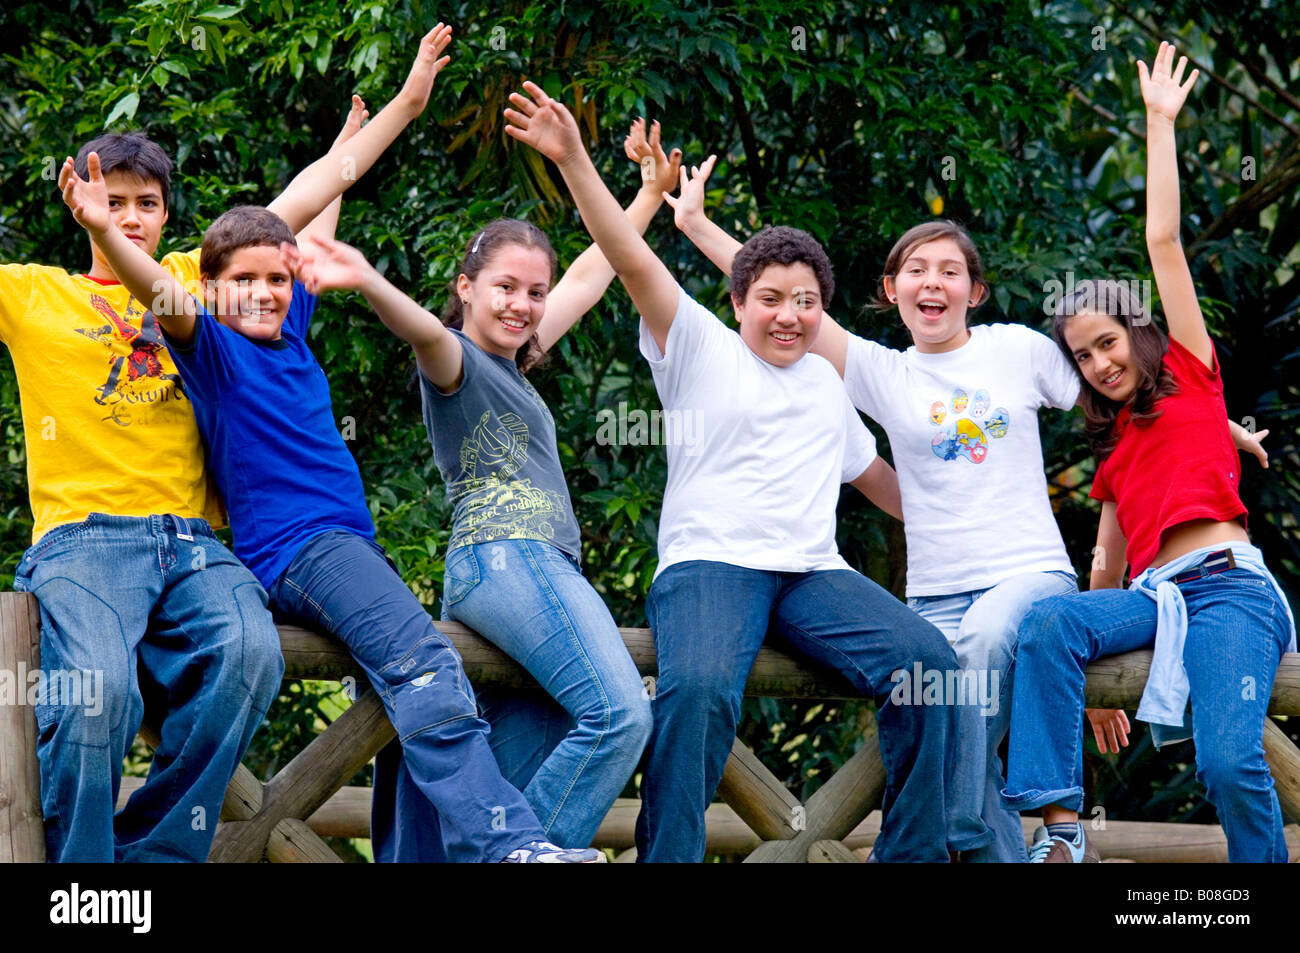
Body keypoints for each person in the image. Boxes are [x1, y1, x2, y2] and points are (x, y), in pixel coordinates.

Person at [667, 156, 1271, 862]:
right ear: (893, 289)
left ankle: (948, 837)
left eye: (950, 270)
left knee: (975, 660)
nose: (933, 281)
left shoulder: (1017, 351)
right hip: (933, 591)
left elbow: (1125, 398)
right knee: (948, 715)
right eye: (916, 269)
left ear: (974, 290)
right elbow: (784, 294)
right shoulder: (880, 372)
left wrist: (1209, 424)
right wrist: (699, 224)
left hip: (1027, 576)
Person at [0, 25, 454, 858]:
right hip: (84, 542)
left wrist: (407, 100)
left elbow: (311, 198)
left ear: (168, 214)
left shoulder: (200, 281)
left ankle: (157, 858)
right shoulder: (31, 293)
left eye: (147, 203)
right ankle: (87, 885)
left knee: (249, 657)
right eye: (114, 201)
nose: (129, 218)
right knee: (96, 695)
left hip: (196, 545)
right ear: (82, 201)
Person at [504, 81, 981, 862]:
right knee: (696, 691)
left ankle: (915, 856)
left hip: (811, 576)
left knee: (927, 664)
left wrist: (979, 496)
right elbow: (625, 255)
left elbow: (892, 491)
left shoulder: (830, 385)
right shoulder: (698, 343)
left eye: (804, 301)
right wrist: (575, 160)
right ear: (737, 301)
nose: (788, 314)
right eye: (769, 298)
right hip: (709, 566)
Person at [280, 119, 682, 850]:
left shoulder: (516, 364)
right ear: (465, 288)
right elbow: (423, 333)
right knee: (622, 713)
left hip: (540, 568)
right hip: (504, 555)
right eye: (504, 288)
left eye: (534, 292)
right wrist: (369, 278)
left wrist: (649, 193)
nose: (520, 305)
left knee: (549, 736)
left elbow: (595, 272)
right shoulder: (457, 360)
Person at [1000, 42, 1295, 863]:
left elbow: (1163, 242)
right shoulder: (1114, 450)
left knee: (1232, 759)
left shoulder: (1195, 376)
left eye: (1107, 343)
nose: (1099, 363)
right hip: (1150, 603)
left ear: (1138, 335)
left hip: (1232, 595)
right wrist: (1090, 683)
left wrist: (1158, 125)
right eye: (1082, 356)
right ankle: (1060, 834)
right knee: (1049, 620)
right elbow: (1104, 565)